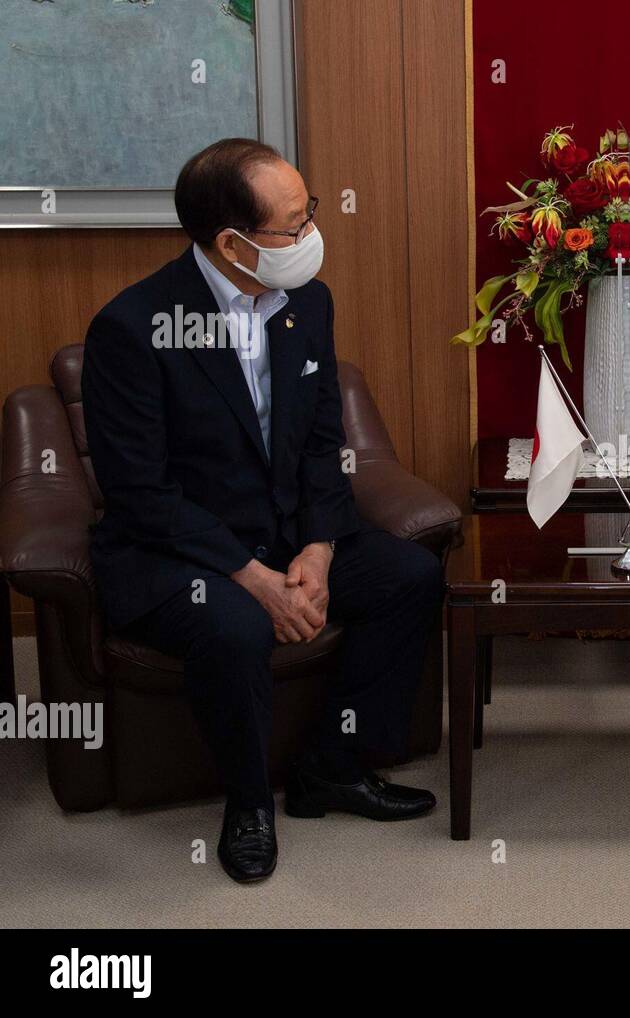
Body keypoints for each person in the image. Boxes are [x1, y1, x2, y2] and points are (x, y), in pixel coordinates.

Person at [82, 138, 444, 884]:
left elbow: (321, 443)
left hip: (285, 534)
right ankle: (248, 805)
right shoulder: (133, 327)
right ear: (231, 243)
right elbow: (141, 494)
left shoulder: (308, 302)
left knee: (411, 575)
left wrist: (317, 549)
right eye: (293, 223)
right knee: (236, 624)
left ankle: (331, 768)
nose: (311, 233)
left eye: (309, 211)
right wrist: (253, 576)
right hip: (180, 555)